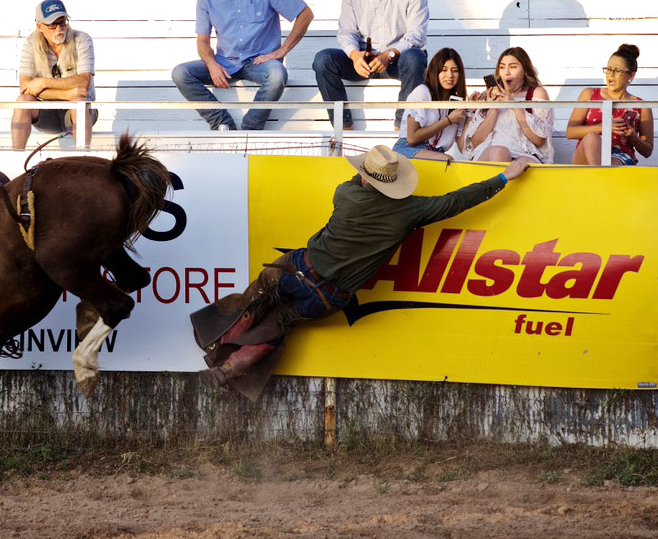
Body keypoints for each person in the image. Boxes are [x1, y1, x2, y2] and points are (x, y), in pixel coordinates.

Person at [190, 145, 531, 400]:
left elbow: (360, 179)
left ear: (365, 176)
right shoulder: (410, 212)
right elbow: (458, 200)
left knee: (260, 292)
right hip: (327, 299)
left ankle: (219, 337)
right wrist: (503, 176)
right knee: (278, 325)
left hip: (297, 270)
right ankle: (231, 367)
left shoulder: (346, 193)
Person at [171, 0, 313, 131]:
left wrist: (281, 52)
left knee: (277, 75)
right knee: (181, 73)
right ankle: (221, 122)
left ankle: (250, 129)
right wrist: (211, 64)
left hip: (259, 63)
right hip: (225, 62)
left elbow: (305, 14)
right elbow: (202, 40)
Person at [312, 0, 428, 130]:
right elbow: (346, 33)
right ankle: (343, 127)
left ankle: (403, 128)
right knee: (323, 59)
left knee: (415, 57)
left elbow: (417, 34)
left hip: (397, 60)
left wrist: (389, 54)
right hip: (364, 62)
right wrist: (354, 55)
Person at [11, 0, 97, 150]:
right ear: (39, 26)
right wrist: (67, 93)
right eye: (52, 24)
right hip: (47, 111)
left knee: (78, 101)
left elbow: (83, 83)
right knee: (23, 100)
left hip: (79, 111)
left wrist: (42, 83)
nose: (59, 28)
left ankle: (83, 156)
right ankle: (17, 155)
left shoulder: (82, 40)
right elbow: (25, 88)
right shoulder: (30, 43)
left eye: (62, 21)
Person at [458, 47, 554, 163]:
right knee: (500, 152)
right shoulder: (489, 96)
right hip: (491, 152)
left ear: (525, 70)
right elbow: (475, 143)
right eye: (502, 67)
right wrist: (494, 108)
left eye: (513, 67)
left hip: (524, 153)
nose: (506, 72)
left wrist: (514, 106)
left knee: (524, 163)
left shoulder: (536, 93)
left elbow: (538, 140)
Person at [567, 44, 653, 166]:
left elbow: (647, 151)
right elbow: (570, 132)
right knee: (592, 138)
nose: (610, 74)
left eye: (617, 71)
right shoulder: (589, 94)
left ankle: (599, 178)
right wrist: (605, 126)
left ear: (631, 75)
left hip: (619, 156)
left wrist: (632, 136)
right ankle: (600, 178)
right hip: (588, 151)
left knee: (611, 164)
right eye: (608, 69)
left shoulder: (642, 106)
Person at [392, 48, 470, 160]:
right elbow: (412, 138)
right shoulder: (422, 92)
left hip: (436, 154)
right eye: (444, 70)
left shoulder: (456, 102)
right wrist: (448, 120)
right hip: (408, 150)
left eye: (455, 70)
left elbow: (463, 148)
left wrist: (470, 113)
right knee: (446, 160)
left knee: (447, 160)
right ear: (435, 71)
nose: (450, 75)